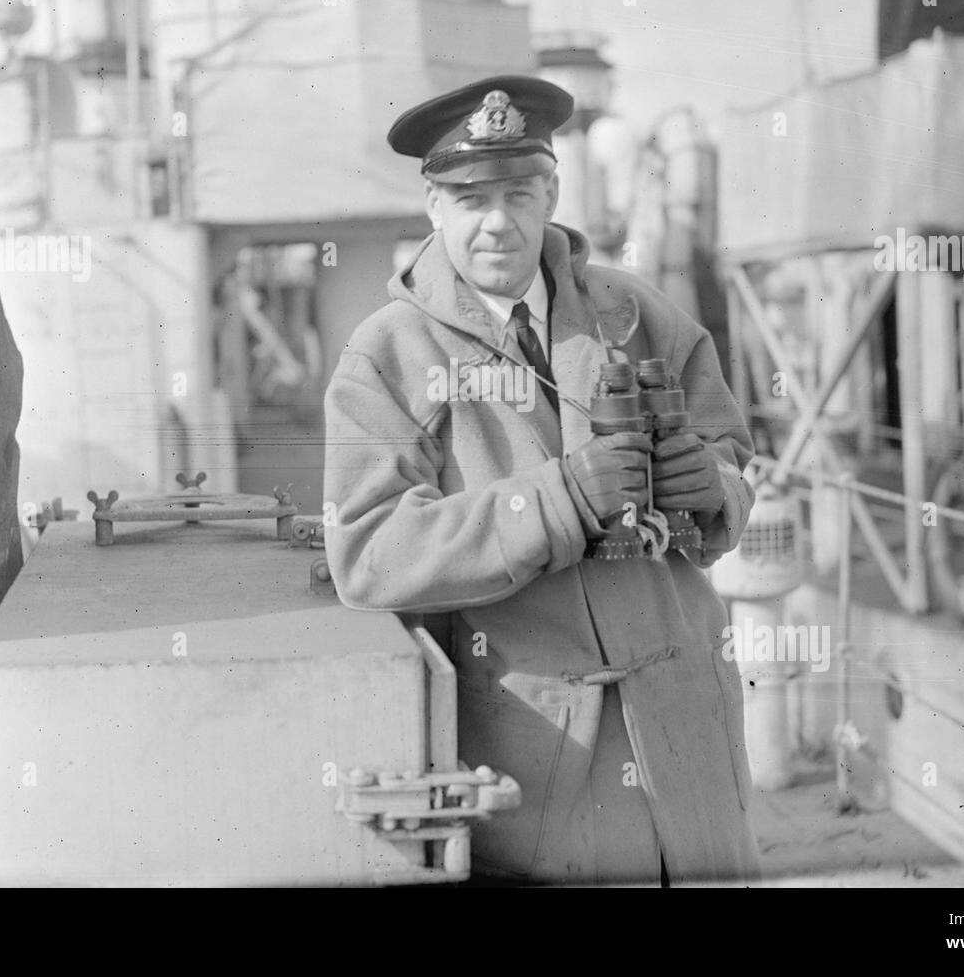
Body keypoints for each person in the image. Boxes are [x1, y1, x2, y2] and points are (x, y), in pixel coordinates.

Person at [323, 75, 759, 885]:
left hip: (691, 759)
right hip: (542, 782)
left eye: (520, 192)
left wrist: (714, 486)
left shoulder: (637, 313)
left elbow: (733, 454)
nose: (498, 221)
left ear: (552, 190)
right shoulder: (386, 357)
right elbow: (368, 549)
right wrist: (555, 500)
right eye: (469, 196)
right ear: (433, 206)